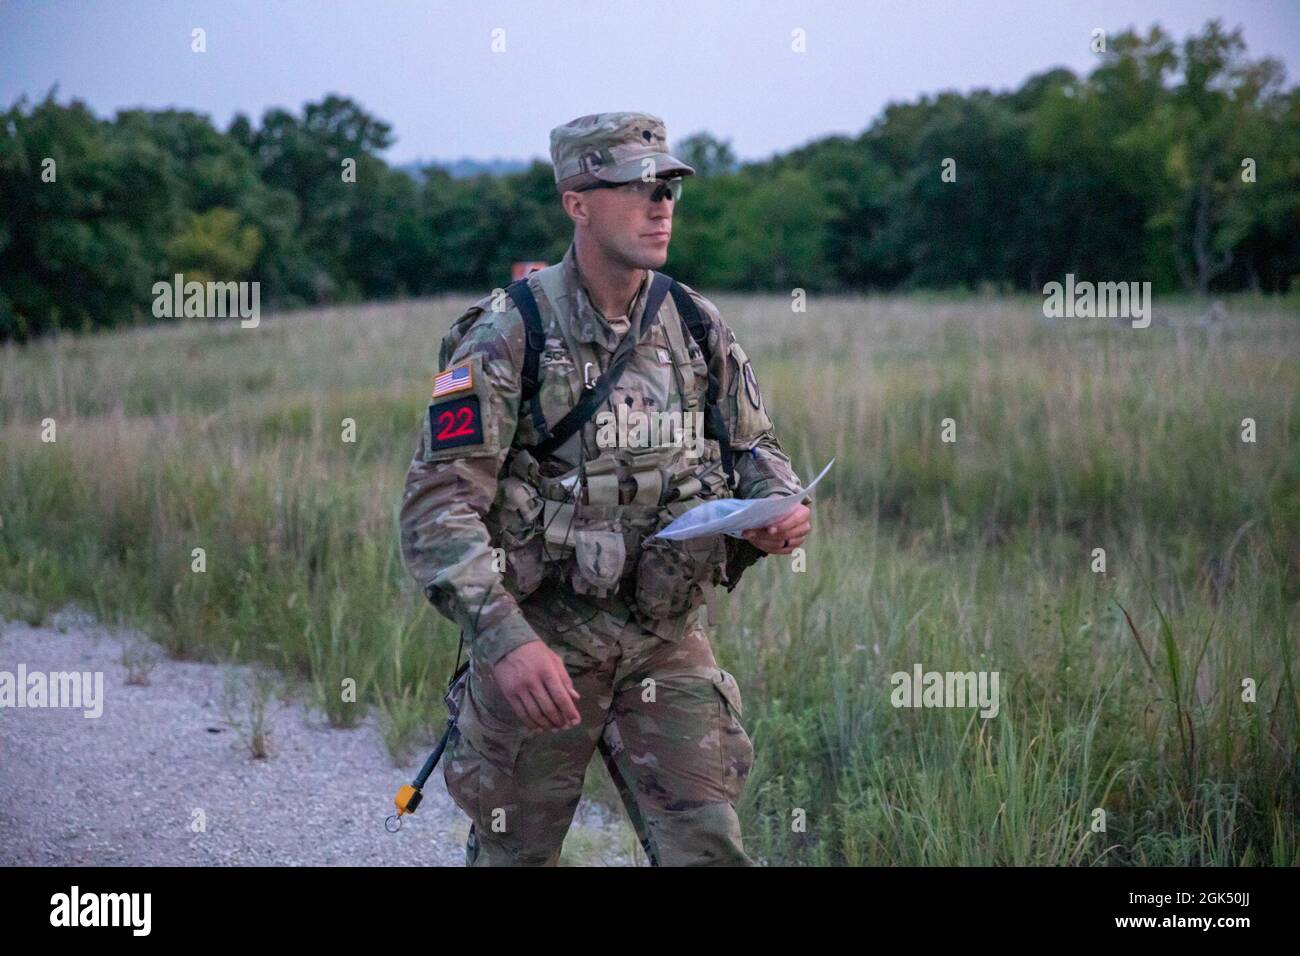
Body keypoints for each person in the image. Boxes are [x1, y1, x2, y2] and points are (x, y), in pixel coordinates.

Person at [399, 111, 812, 866]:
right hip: (541, 648)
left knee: (708, 849)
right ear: (576, 202)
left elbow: (754, 444)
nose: (661, 206)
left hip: (665, 640)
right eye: (635, 187)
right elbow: (437, 510)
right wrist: (505, 643)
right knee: (514, 855)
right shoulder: (505, 334)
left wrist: (779, 507)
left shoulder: (693, 321)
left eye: (669, 188)